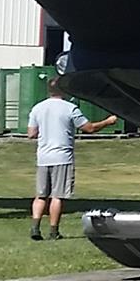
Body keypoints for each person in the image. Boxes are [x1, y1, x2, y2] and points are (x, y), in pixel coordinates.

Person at [28, 82, 119, 240]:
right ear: (63, 90)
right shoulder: (70, 108)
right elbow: (88, 128)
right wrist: (108, 122)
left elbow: (31, 133)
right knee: (57, 196)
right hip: (62, 156)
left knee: (41, 195)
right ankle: (53, 231)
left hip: (43, 157)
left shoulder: (38, 108)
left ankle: (35, 227)